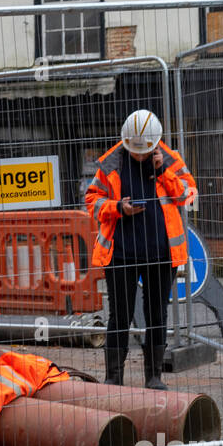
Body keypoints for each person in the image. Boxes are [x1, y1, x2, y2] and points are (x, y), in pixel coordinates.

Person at [85, 109, 196, 389]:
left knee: (157, 314)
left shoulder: (169, 160)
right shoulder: (112, 162)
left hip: (161, 254)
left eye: (143, 152)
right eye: (133, 151)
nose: (138, 156)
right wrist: (117, 208)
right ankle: (113, 376)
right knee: (119, 316)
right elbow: (91, 200)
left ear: (154, 144)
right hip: (121, 253)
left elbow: (187, 195)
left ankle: (154, 375)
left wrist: (162, 172)